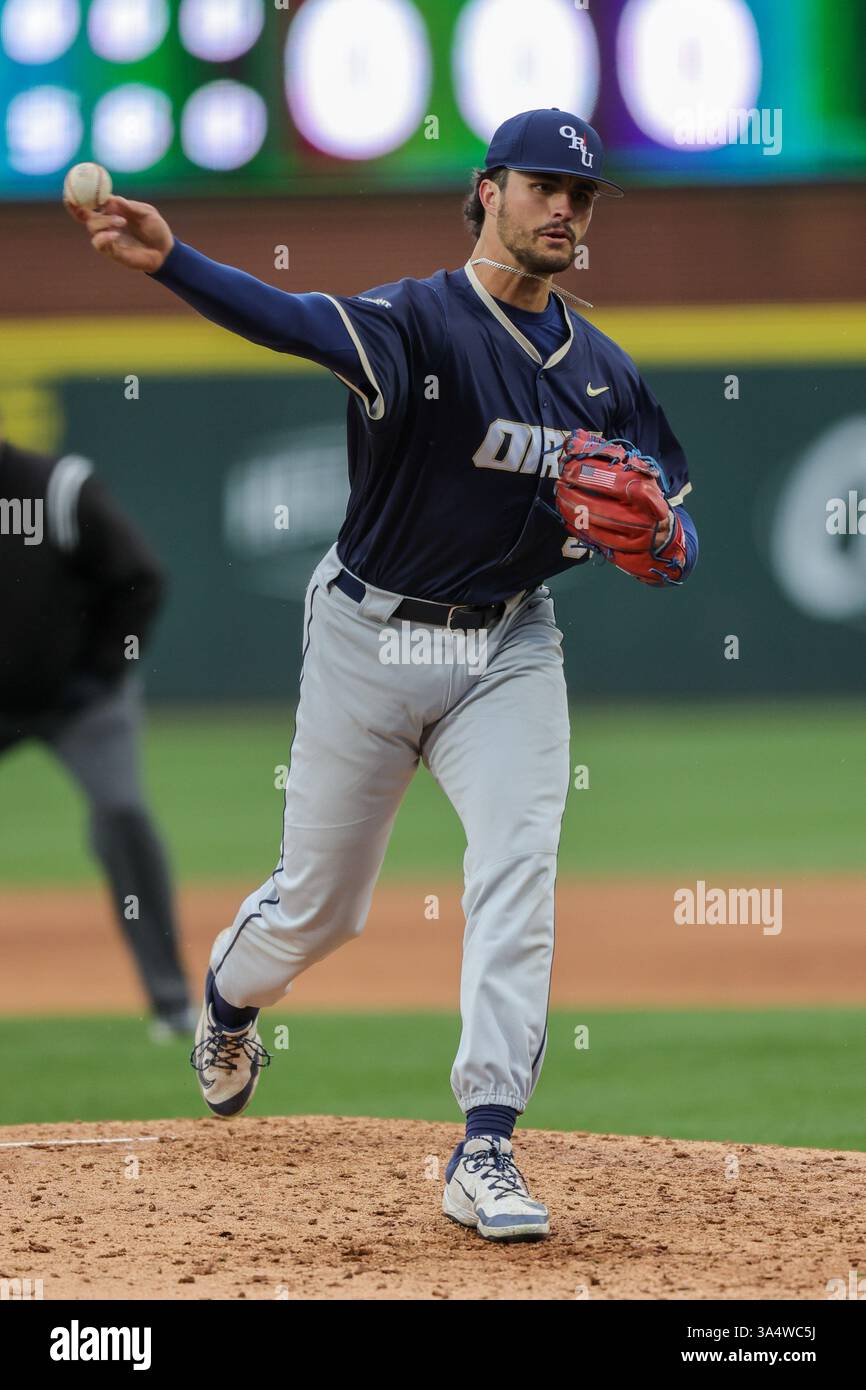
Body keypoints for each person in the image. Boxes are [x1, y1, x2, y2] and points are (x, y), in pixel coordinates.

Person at [67, 108, 697, 1241]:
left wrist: (667, 541)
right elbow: (292, 319)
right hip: (369, 637)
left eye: (581, 193)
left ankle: (486, 1143)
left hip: (507, 645)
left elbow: (672, 517)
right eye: (541, 184)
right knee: (322, 909)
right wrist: (173, 261)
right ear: (487, 189)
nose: (562, 208)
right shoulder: (416, 322)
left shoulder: (602, 373)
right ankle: (228, 1000)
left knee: (518, 862)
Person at [0, 431, 194, 1040]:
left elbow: (140, 578)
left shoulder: (58, 489)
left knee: (122, 812)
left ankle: (173, 1003)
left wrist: (101, 670)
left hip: (81, 700)